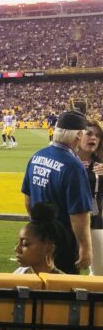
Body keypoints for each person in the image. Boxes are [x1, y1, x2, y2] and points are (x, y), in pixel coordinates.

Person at [21, 110, 93, 274]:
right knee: (62, 290)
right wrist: (85, 247)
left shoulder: (37, 156)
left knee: (38, 284)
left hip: (38, 237)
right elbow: (78, 214)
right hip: (62, 240)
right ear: (78, 136)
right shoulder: (73, 166)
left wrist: (37, 226)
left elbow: (27, 198)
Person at [14, 202, 67, 274]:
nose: (17, 249)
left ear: (49, 248)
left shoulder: (63, 283)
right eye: (17, 243)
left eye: (25, 244)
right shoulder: (18, 275)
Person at [78, 121, 103, 274]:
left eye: (98, 135)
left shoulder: (100, 162)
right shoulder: (67, 160)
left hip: (96, 221)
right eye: (89, 133)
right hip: (69, 221)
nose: (93, 138)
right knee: (65, 268)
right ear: (79, 136)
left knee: (99, 272)